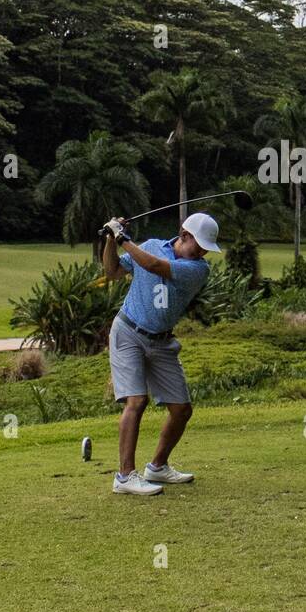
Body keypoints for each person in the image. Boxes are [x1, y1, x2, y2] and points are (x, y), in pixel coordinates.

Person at [101, 210, 219, 496]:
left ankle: (157, 467)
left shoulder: (198, 269)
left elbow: (154, 266)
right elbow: (113, 271)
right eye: (199, 244)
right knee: (137, 401)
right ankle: (125, 476)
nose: (202, 251)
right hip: (128, 332)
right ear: (184, 235)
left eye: (206, 248)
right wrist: (109, 239)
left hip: (163, 343)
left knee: (181, 409)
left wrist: (123, 237)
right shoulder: (151, 244)